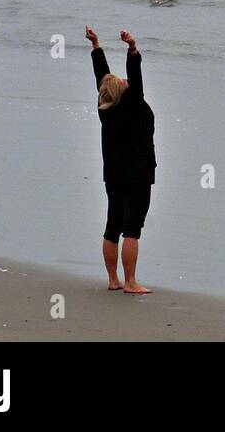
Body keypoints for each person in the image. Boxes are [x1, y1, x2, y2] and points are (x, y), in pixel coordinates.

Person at [85, 26, 156, 294]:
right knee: (132, 229)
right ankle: (131, 282)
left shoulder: (106, 105)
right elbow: (135, 76)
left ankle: (113, 280)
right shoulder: (134, 103)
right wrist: (132, 49)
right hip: (138, 174)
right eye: (124, 82)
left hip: (113, 175)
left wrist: (96, 47)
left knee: (113, 225)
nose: (127, 81)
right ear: (124, 90)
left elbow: (101, 77)